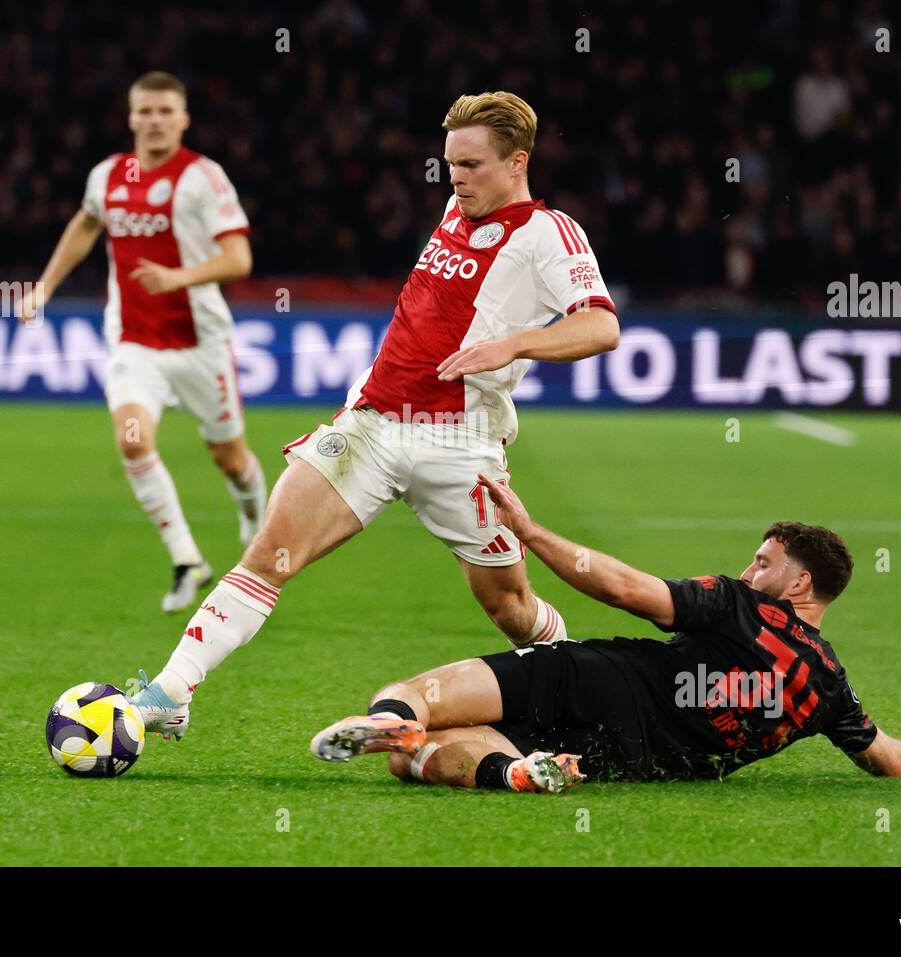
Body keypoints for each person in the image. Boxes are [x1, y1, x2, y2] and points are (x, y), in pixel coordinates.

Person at [131, 91, 620, 739]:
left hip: (460, 446)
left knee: (508, 606)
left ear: (517, 163)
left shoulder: (549, 233)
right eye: (450, 164)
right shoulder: (456, 207)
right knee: (271, 553)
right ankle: (171, 690)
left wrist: (514, 342)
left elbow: (601, 327)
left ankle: (577, 689)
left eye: (472, 164)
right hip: (372, 423)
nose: (456, 177)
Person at [309, 476, 901, 791]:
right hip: (624, 758)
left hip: (595, 677)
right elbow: (888, 757)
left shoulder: (737, 605)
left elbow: (622, 587)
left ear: (798, 585)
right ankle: (513, 773)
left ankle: (391, 720)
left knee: (415, 696)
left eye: (762, 561)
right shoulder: (826, 686)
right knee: (422, 762)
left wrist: (531, 533)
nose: (746, 567)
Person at [18, 71, 266, 613]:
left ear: (183, 119)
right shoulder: (107, 175)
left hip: (200, 343)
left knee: (229, 457)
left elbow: (239, 259)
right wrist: (44, 287)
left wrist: (178, 277)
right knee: (133, 440)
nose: (154, 121)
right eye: (145, 111)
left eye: (165, 112)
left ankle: (253, 518)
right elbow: (85, 226)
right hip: (134, 343)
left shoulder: (204, 177)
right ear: (131, 117)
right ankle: (187, 560)